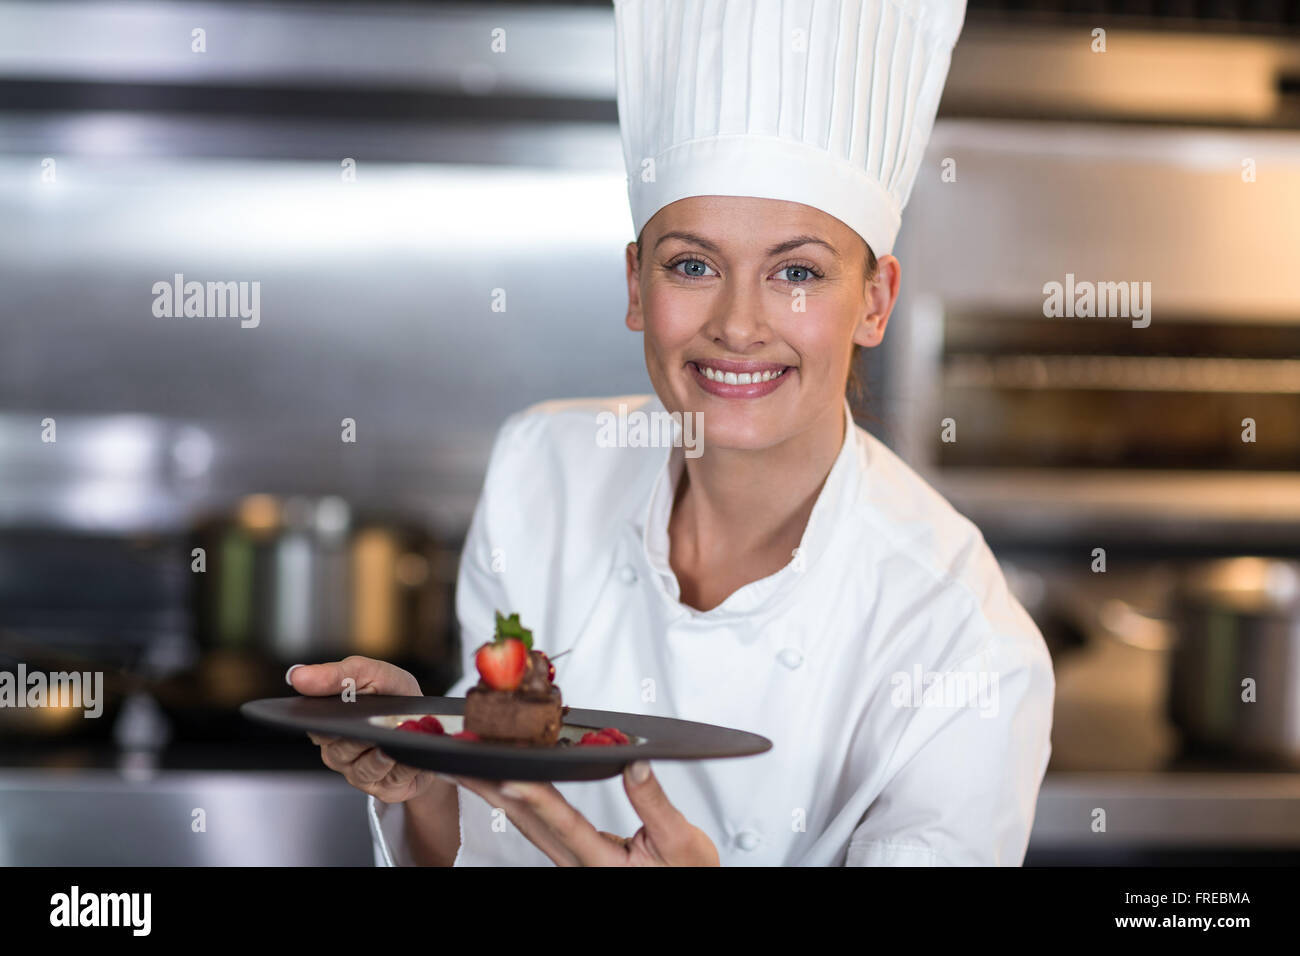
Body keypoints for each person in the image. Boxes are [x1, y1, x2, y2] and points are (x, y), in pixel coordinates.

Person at [290, 0, 1055, 866]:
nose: (737, 324)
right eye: (692, 265)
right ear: (633, 282)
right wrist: (422, 765)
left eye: (796, 272)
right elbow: (486, 832)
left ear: (875, 300)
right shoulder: (545, 470)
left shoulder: (963, 644)